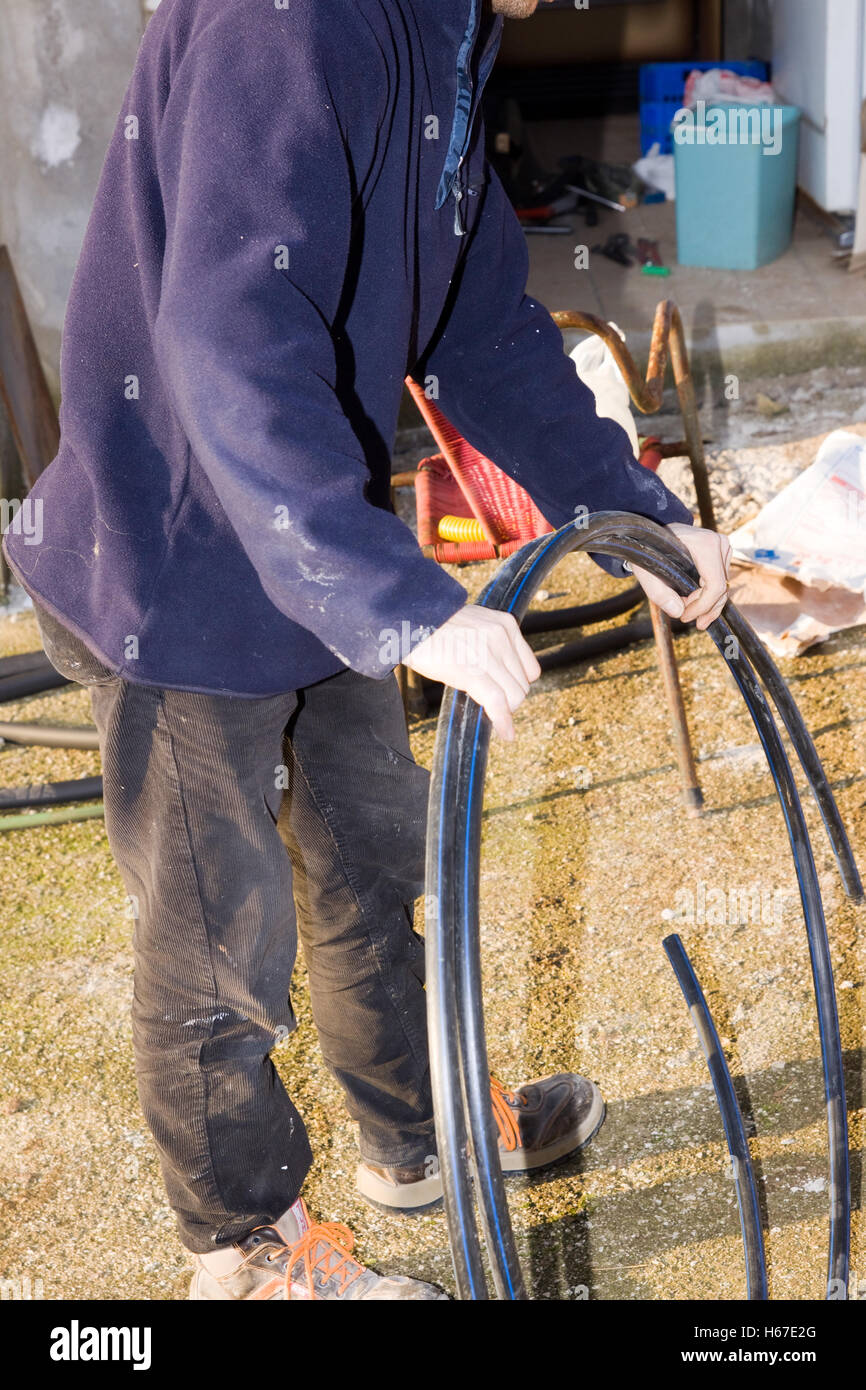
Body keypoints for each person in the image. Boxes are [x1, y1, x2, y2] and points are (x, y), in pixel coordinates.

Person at [3, 0, 731, 1301]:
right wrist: (408, 607)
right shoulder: (288, 24)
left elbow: (483, 328)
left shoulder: (446, 22)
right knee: (222, 939)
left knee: (363, 853)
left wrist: (631, 514)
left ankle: (417, 1134)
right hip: (175, 560)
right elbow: (229, 332)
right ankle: (241, 1252)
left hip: (306, 539)